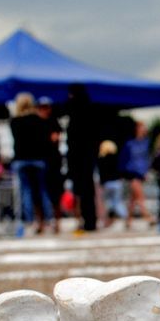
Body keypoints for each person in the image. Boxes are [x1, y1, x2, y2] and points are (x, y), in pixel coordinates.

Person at [10, 92, 55, 234]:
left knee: (26, 191)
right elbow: (45, 140)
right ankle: (48, 220)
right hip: (38, 159)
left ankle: (29, 221)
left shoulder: (15, 122)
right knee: (42, 190)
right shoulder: (38, 120)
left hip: (21, 159)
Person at [66, 84, 99, 232]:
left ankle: (83, 220)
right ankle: (90, 220)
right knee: (88, 191)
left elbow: (72, 139)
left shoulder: (73, 112)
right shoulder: (90, 110)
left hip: (77, 157)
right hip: (87, 157)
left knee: (79, 191)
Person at [37, 96, 64, 233]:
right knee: (38, 194)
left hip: (53, 163)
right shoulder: (35, 122)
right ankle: (41, 222)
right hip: (40, 161)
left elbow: (55, 139)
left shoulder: (53, 122)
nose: (45, 110)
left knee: (55, 193)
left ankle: (56, 222)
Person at [121, 120, 153, 229]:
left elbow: (147, 158)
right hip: (132, 172)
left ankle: (128, 220)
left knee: (133, 199)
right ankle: (148, 217)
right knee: (140, 195)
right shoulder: (130, 144)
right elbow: (124, 159)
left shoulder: (146, 143)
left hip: (141, 172)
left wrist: (147, 171)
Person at [96, 139, 126, 227]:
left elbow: (101, 173)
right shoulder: (116, 158)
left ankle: (108, 220)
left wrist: (101, 183)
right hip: (117, 183)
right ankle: (125, 217)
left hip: (107, 183)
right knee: (117, 202)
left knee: (108, 203)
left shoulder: (101, 159)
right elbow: (120, 170)